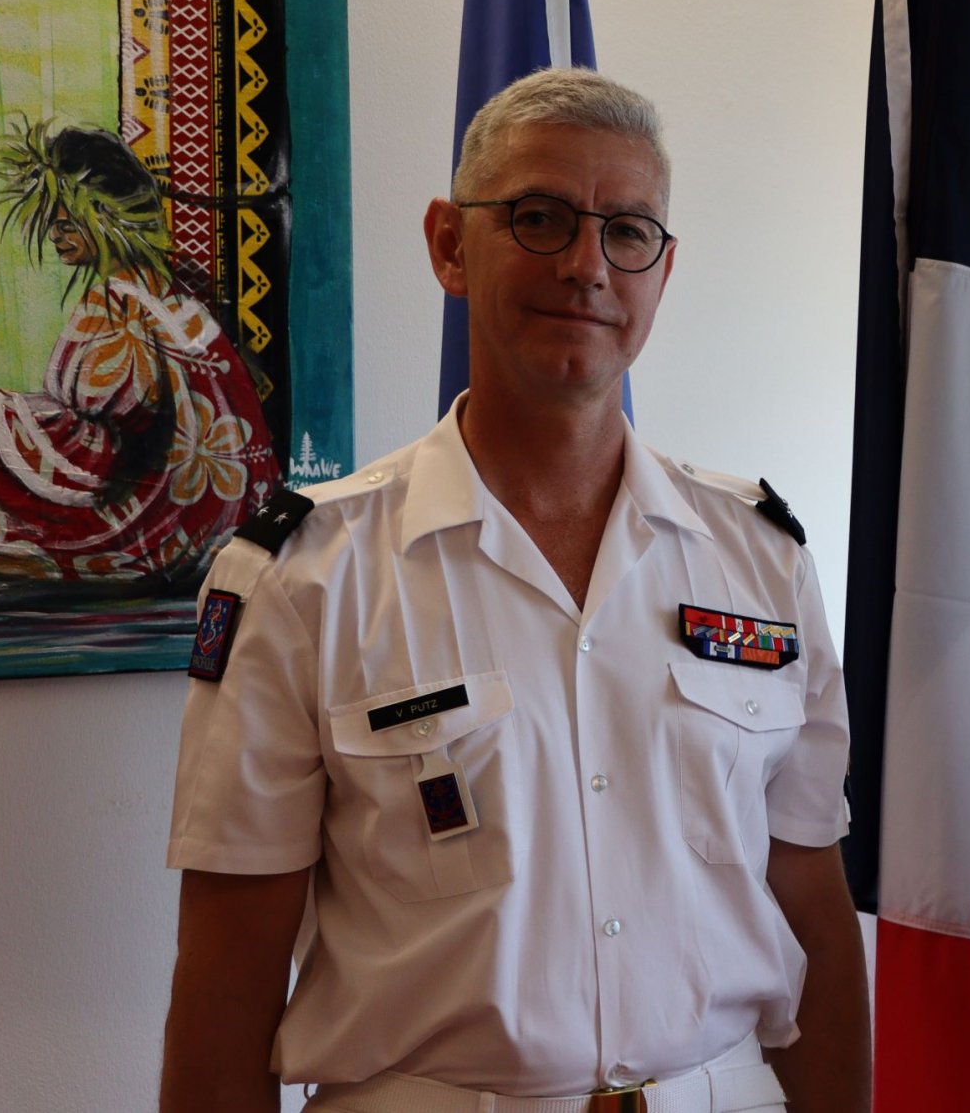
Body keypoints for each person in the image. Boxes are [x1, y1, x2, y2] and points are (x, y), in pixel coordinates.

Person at [159, 69, 868, 1113]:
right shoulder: (309, 574)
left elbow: (811, 909)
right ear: (450, 243)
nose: (586, 265)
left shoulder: (759, 559)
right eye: (539, 219)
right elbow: (227, 979)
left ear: (661, 273)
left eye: (626, 232)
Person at [0, 120, 278, 595]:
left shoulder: (117, 304)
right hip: (217, 519)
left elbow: (100, 433)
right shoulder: (172, 297)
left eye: (64, 224)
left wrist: (1, 418)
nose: (57, 238)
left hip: (160, 527)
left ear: (102, 216)